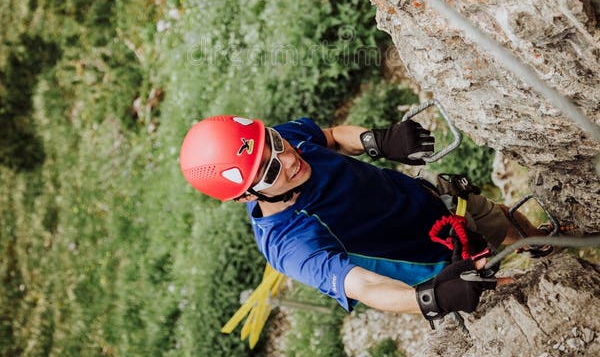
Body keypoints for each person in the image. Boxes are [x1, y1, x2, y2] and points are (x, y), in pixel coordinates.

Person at [179, 115, 543, 320]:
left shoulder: (278, 144)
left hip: (436, 205)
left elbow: (333, 136)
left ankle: (544, 246)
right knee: (525, 297)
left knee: (502, 219)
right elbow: (362, 287)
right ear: (245, 195)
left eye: (274, 141)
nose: (288, 159)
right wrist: (431, 298)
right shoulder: (289, 243)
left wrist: (377, 141)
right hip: (437, 267)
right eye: (270, 170)